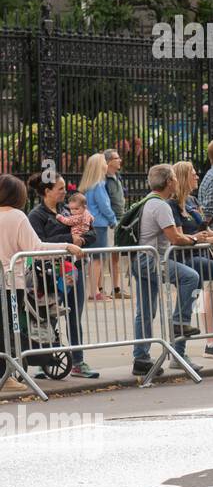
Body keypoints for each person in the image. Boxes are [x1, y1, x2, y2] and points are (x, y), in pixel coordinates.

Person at [0, 175, 84, 383]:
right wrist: (65, 246)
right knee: (7, 329)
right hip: (12, 284)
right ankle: (5, 376)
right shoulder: (17, 217)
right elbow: (36, 248)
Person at [127, 164, 205, 378]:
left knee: (145, 310)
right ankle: (180, 323)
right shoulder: (160, 205)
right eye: (174, 179)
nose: (177, 182)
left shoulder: (149, 201)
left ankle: (141, 359)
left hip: (140, 259)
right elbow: (175, 238)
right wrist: (197, 239)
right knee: (191, 276)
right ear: (169, 182)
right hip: (152, 261)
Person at [26, 172, 99, 379]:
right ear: (47, 191)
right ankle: (44, 361)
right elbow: (40, 241)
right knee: (50, 317)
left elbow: (92, 233)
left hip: (74, 271)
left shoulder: (70, 210)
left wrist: (80, 241)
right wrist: (69, 239)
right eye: (60, 188)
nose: (65, 192)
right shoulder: (36, 215)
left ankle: (78, 361)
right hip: (48, 274)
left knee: (75, 317)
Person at [170, 160, 213, 368]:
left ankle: (180, 354)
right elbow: (180, 236)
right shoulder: (172, 204)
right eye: (193, 173)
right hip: (184, 259)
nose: (197, 176)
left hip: (198, 258)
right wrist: (207, 239)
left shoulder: (191, 200)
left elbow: (204, 228)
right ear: (183, 177)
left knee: (186, 308)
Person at [80, 153, 117, 300]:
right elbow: (105, 206)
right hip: (100, 225)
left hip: (90, 224)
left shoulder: (89, 186)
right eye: (104, 162)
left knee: (94, 259)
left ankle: (95, 290)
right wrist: (113, 220)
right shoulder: (99, 185)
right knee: (97, 259)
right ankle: (94, 292)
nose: (106, 164)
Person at [102, 148, 129, 299]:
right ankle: (100, 289)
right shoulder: (104, 180)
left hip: (119, 219)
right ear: (109, 162)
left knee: (116, 255)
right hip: (110, 221)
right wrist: (112, 219)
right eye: (116, 158)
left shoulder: (117, 177)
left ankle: (116, 288)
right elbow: (105, 203)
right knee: (105, 255)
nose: (120, 160)